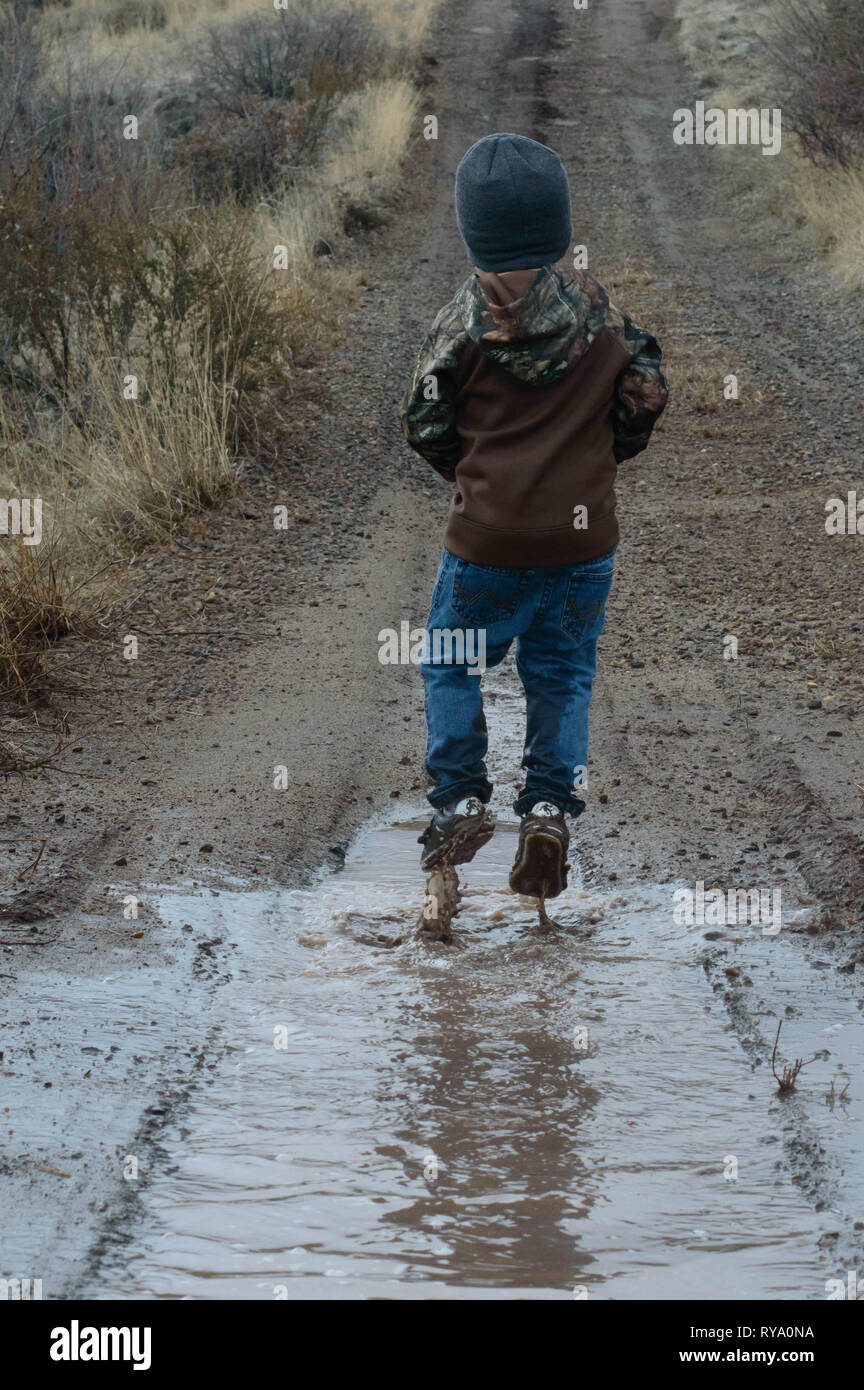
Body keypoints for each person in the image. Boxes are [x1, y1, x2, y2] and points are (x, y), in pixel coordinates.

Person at [400, 132, 668, 900]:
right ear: (558, 227)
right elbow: (648, 389)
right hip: (583, 547)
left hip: (485, 542)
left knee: (451, 660)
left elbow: (422, 422)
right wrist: (604, 454)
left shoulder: (458, 324)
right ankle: (548, 808)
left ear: (470, 229)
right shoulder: (597, 309)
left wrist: (476, 479)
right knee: (562, 671)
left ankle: (460, 799)